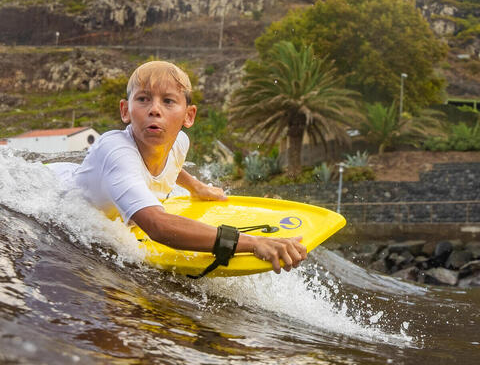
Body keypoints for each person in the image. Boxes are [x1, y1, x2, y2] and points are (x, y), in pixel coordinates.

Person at [50, 60, 307, 274]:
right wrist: (252, 243)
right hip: (55, 195)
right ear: (125, 110)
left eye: (169, 101)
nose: (154, 110)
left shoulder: (179, 142)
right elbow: (158, 226)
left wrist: (196, 186)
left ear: (189, 115)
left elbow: (172, 165)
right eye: (143, 99)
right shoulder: (116, 152)